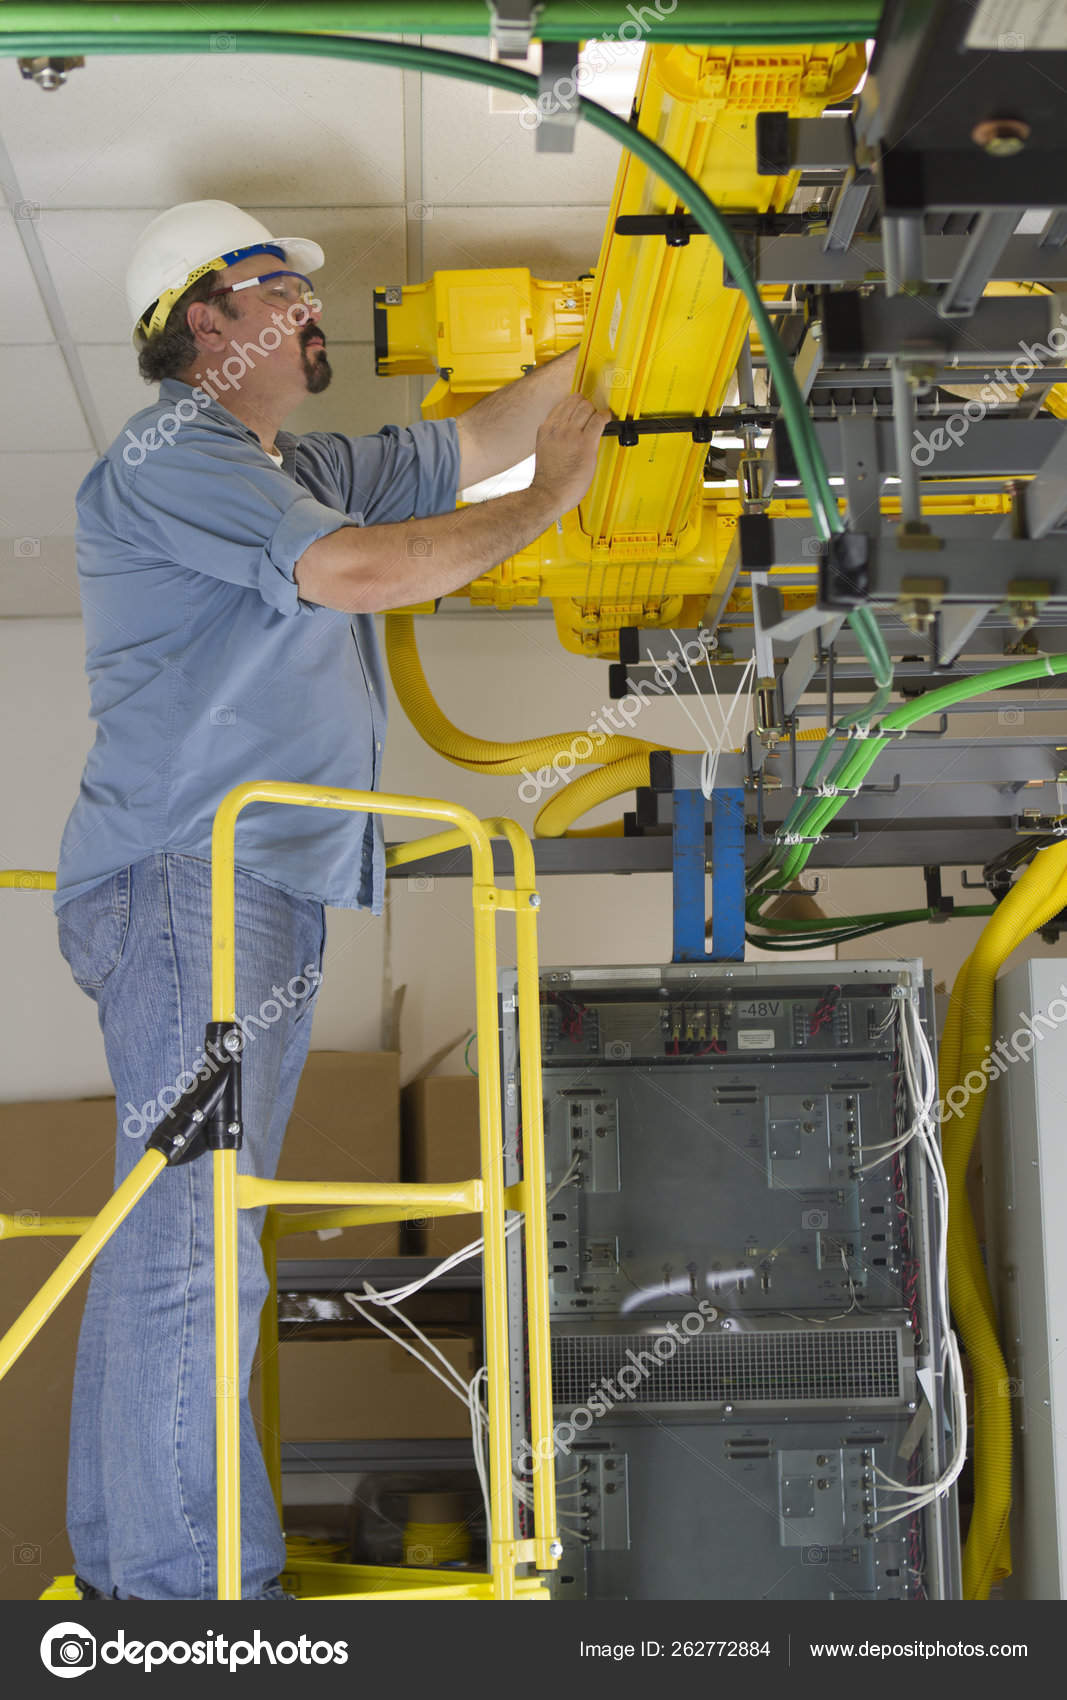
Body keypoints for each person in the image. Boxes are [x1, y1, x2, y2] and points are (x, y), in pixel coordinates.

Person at [52, 200, 607, 1600]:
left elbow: (473, 439)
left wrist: (633, 324)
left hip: (246, 889)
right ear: (207, 322)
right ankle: (193, 1599)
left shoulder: (299, 461)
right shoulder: (180, 450)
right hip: (198, 877)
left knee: (180, 1228)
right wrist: (550, 497)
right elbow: (354, 573)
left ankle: (142, 1570)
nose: (311, 310)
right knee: (196, 1232)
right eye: (280, 290)